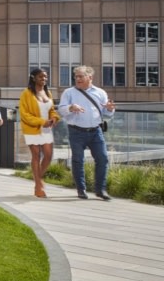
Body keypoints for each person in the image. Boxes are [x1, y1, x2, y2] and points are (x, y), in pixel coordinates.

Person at [58, 65, 116, 201]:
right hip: (76, 131)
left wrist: (110, 109)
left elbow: (106, 114)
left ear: (90, 77)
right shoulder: (69, 93)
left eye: (80, 76)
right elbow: (61, 110)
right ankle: (81, 189)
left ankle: (100, 190)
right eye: (76, 76)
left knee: (102, 159)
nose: (77, 79)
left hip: (96, 131)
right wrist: (70, 107)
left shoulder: (100, 93)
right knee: (78, 160)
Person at [18, 68, 59, 198]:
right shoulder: (26, 93)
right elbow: (24, 115)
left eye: (45, 77)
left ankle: (37, 179)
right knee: (36, 156)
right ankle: (38, 186)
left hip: (47, 129)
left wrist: (54, 118)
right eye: (41, 76)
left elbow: (52, 109)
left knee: (48, 155)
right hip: (32, 129)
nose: (44, 79)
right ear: (33, 78)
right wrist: (41, 121)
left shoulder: (48, 92)